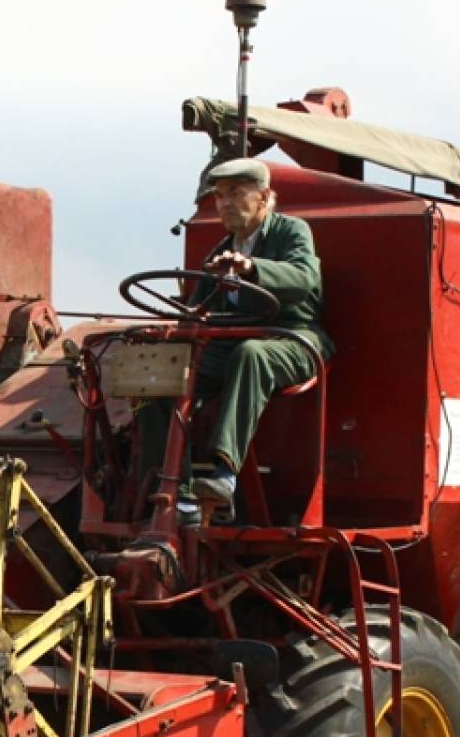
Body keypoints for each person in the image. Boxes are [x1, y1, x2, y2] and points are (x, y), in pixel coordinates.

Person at [137, 156, 331, 524]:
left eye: (235, 194)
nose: (224, 203)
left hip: (293, 338)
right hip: (234, 341)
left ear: (264, 197)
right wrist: (172, 335)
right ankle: (179, 493)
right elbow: (195, 313)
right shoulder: (221, 251)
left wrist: (253, 269)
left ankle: (225, 476)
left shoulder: (291, 232)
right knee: (160, 373)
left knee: (250, 354)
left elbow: (303, 279)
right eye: (220, 196)